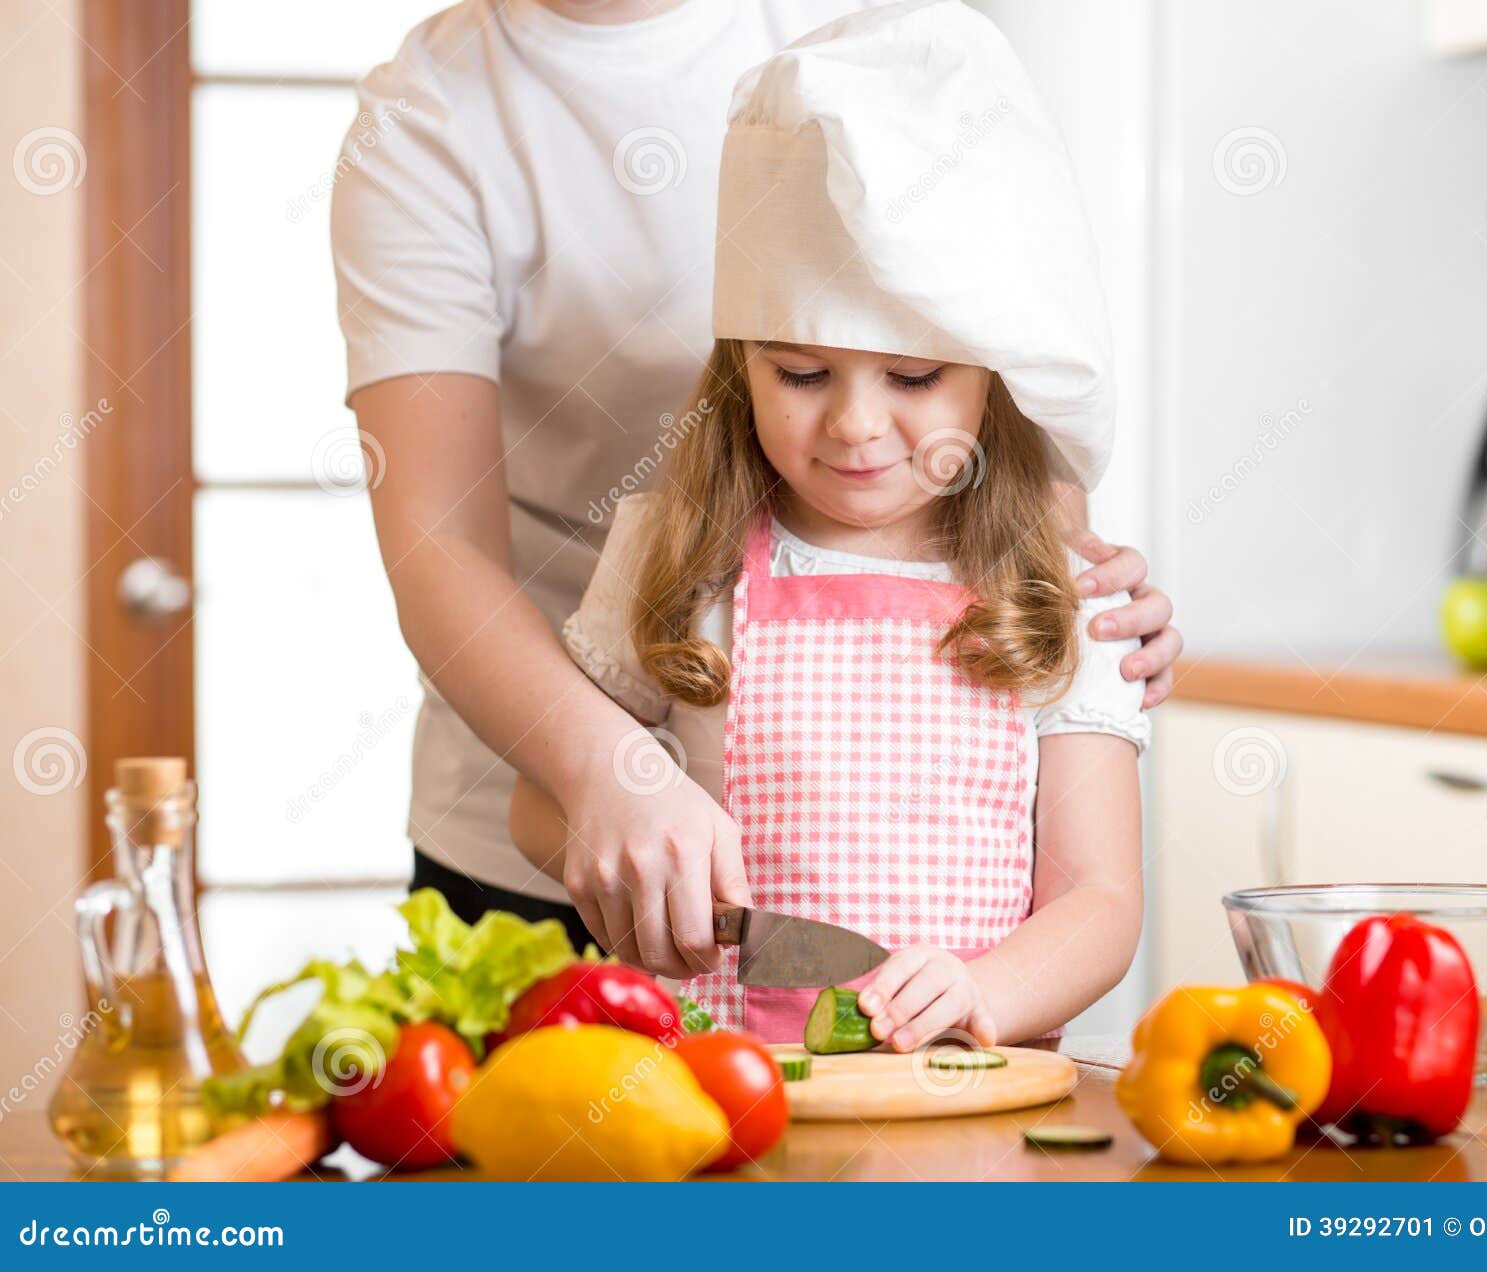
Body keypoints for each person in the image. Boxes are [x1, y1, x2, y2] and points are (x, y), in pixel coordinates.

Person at [333, 0, 1179, 978]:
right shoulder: (431, 112)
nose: (857, 424)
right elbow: (438, 542)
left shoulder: (867, 33)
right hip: (543, 790)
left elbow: (1093, 893)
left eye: (911, 376)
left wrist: (1079, 587)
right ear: (743, 370)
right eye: (801, 373)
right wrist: (605, 774)